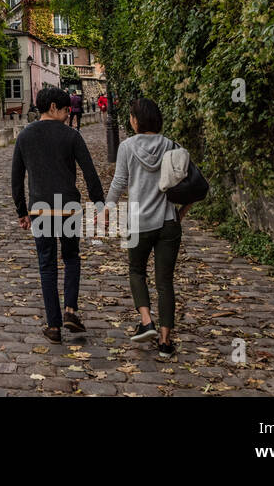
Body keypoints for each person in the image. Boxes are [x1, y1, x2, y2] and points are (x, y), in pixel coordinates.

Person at [11, 85, 105, 343]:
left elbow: (17, 179)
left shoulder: (25, 136)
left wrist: (22, 211)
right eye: (65, 110)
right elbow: (89, 173)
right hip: (68, 209)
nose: (67, 114)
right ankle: (70, 310)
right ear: (53, 107)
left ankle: (53, 325)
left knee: (47, 265)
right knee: (72, 258)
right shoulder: (71, 135)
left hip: (40, 209)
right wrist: (100, 205)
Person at [97, 97, 190, 358]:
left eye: (131, 116)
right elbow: (194, 184)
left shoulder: (127, 147)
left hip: (138, 222)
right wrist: (180, 212)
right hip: (168, 223)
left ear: (136, 121)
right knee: (165, 282)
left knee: (137, 272)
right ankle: (165, 341)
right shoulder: (172, 146)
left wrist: (107, 211)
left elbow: (118, 183)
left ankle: (146, 320)